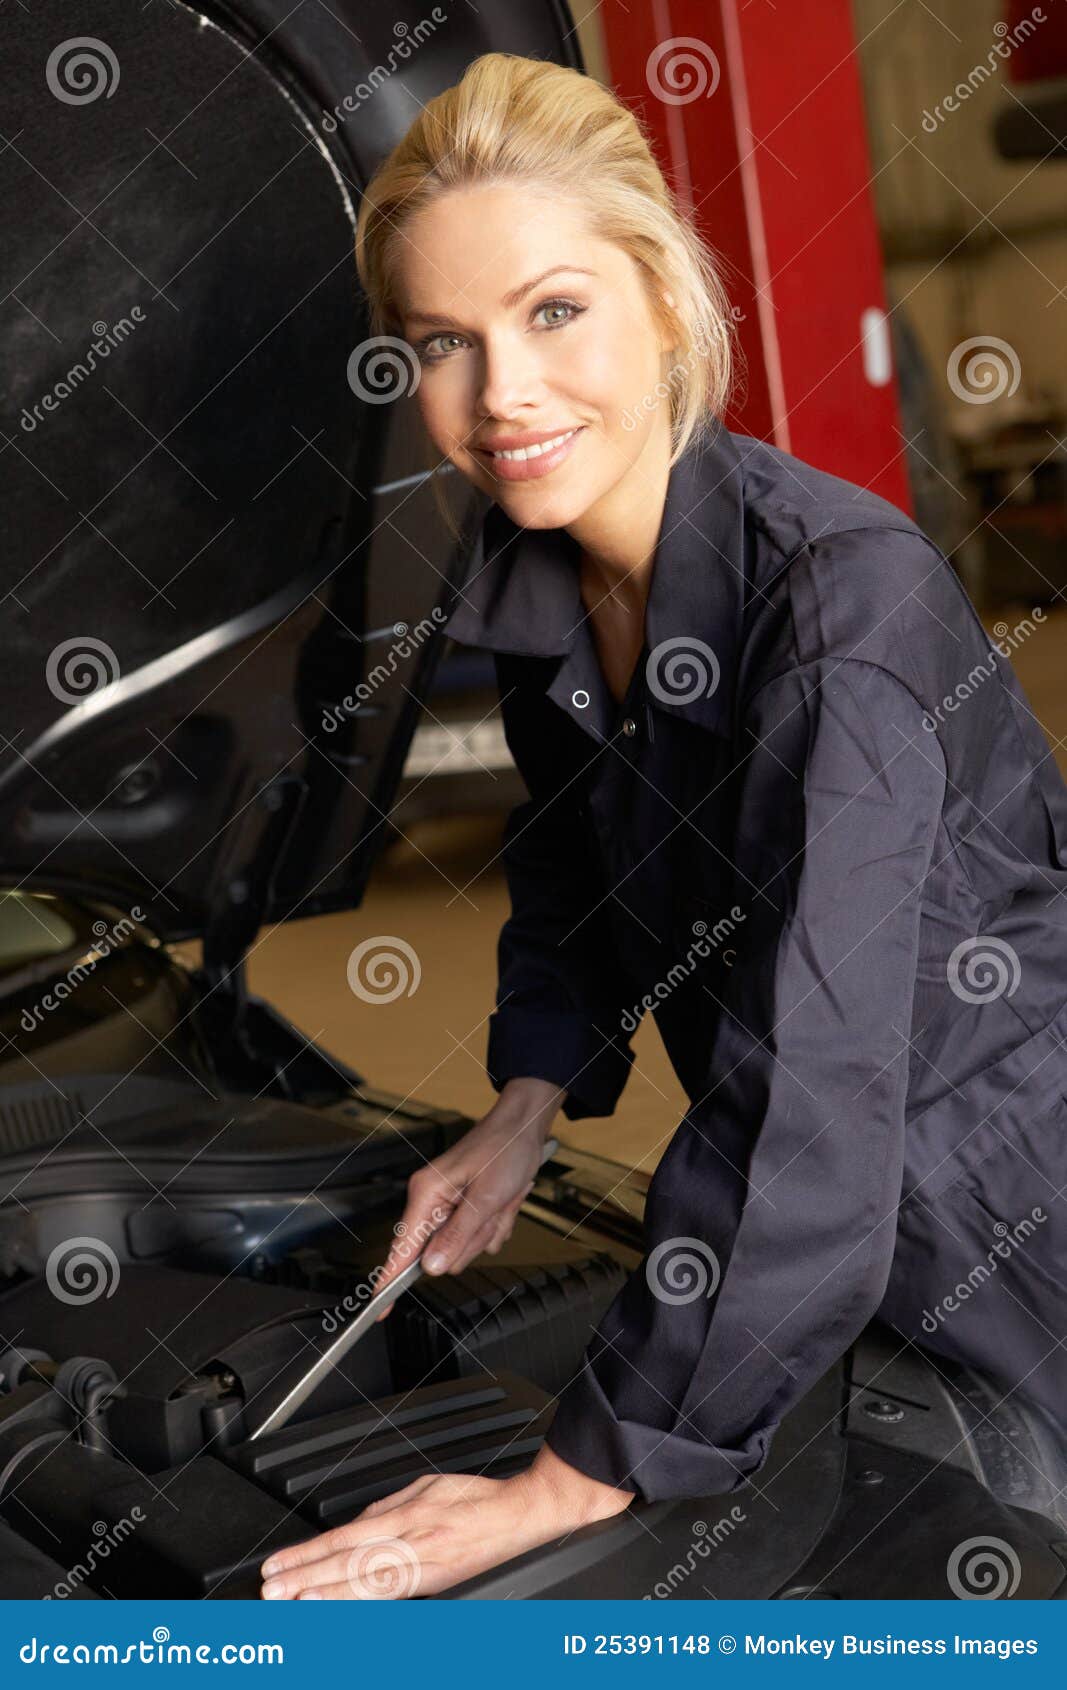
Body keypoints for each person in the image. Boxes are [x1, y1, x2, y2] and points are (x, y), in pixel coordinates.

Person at [259, 52, 1066, 1601]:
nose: (505, 398)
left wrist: (567, 1476)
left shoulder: (840, 607)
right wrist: (528, 1100)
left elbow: (811, 1090)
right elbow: (570, 871)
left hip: (1008, 1180)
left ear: (666, 296)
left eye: (554, 312)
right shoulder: (542, 580)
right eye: (445, 343)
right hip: (834, 1223)